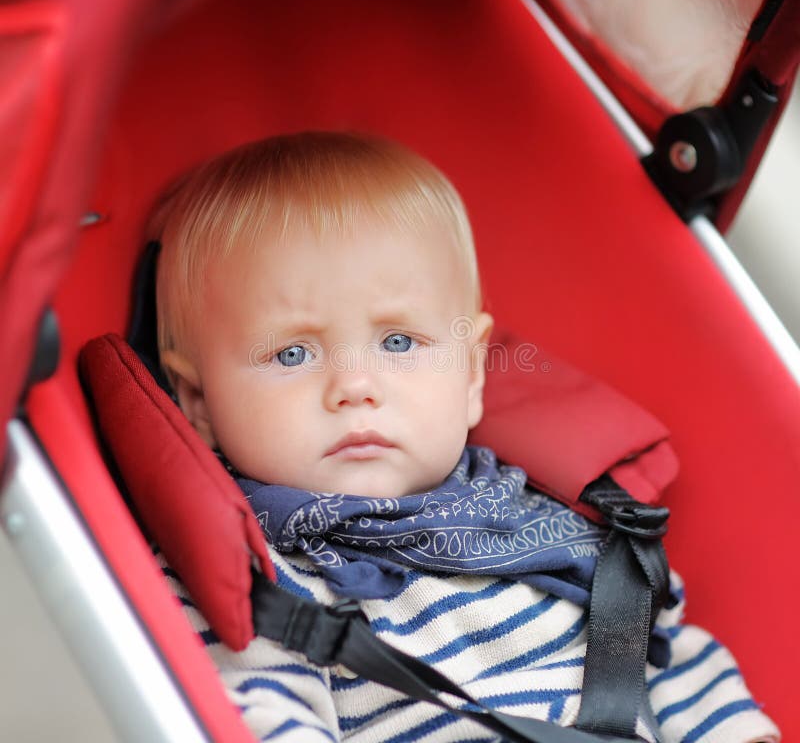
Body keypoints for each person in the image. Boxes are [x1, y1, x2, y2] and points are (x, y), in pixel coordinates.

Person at [153, 131, 779, 743]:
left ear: (472, 372)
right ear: (200, 402)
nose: (353, 385)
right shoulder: (257, 579)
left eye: (398, 342)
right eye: (291, 353)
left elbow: (662, 655)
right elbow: (262, 713)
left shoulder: (549, 524)